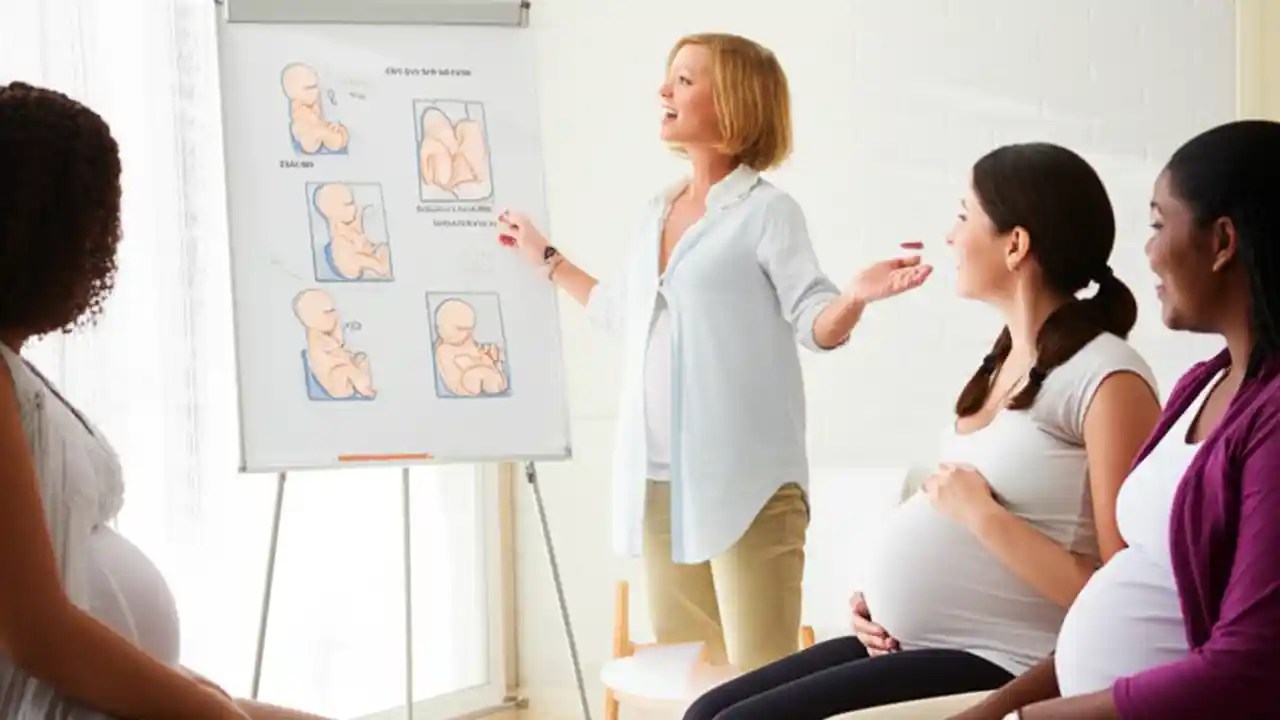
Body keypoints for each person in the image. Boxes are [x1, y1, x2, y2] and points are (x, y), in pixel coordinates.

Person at [683, 142, 1164, 719]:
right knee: (705, 712)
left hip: (1006, 660)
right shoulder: (1005, 359)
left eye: (963, 216)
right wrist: (879, 600)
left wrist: (981, 515)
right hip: (911, 641)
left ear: (1016, 244)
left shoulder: (1108, 377)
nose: (950, 237)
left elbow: (1120, 594)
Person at [496, 33, 931, 672]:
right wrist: (549, 259)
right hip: (660, 481)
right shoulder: (656, 211)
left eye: (684, 80)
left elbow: (815, 322)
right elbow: (625, 310)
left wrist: (856, 296)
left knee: (761, 678)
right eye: (669, 78)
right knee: (691, 677)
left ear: (733, 102)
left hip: (749, 483)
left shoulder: (767, 213)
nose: (664, 91)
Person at [0, 81, 330, 720]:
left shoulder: (14, 369)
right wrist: (215, 714)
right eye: (92, 225)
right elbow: (40, 634)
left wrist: (206, 696)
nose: (104, 250)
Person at [950, 120, 1280, 720]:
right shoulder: (1199, 385)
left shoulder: (1273, 419)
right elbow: (1124, 585)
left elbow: (1251, 667)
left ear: (1224, 240)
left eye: (1158, 224)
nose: (1148, 253)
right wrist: (999, 708)